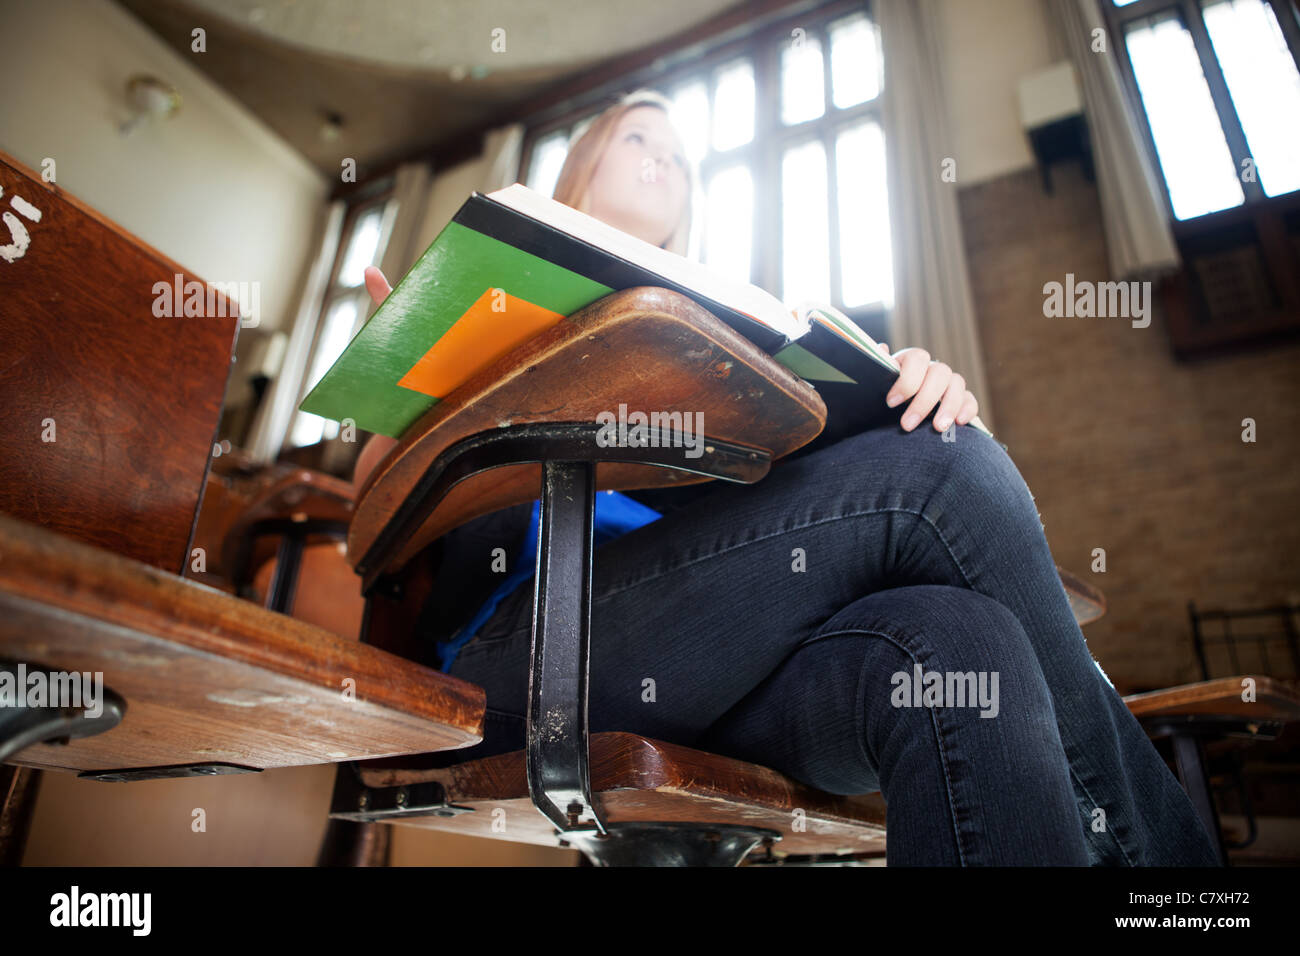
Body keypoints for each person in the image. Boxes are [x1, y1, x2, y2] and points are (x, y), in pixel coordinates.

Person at [352, 89, 1219, 866]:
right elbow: (376, 512)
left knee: (962, 643)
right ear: (585, 158)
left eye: (685, 159)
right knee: (944, 472)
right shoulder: (494, 290)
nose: (668, 159)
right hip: (534, 657)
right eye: (640, 135)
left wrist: (904, 395)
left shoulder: (723, 330)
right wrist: (411, 402)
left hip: (727, 656)